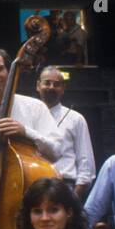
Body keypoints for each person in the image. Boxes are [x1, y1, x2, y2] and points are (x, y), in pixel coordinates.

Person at [0, 46, 64, 191]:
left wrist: (26, 132)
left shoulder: (36, 107)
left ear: (9, 72)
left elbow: (57, 151)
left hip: (32, 195)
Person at [34, 66, 95, 199]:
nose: (51, 87)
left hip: (65, 187)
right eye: (47, 83)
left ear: (63, 89)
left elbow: (85, 163)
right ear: (38, 86)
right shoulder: (29, 117)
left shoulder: (76, 119)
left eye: (57, 84)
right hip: (33, 185)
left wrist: (74, 197)